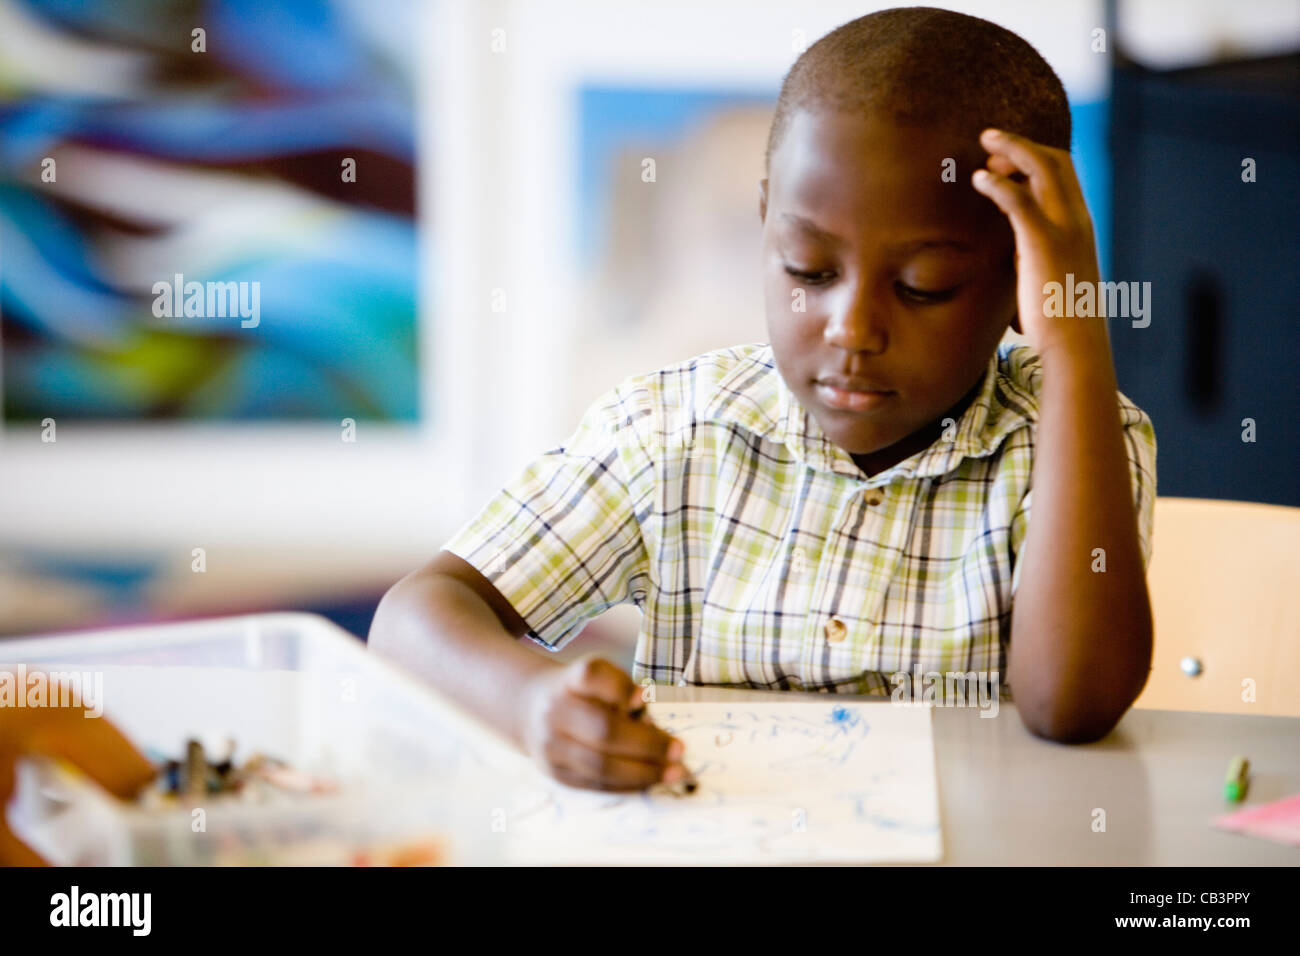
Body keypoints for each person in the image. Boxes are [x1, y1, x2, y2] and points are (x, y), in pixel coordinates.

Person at [370, 7, 1156, 793]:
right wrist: (532, 703)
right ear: (765, 227)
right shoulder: (673, 432)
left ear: (1023, 277)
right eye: (809, 270)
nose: (852, 329)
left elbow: (1071, 703)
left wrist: (1073, 333)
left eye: (924, 286)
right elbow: (415, 617)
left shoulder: (1071, 438)